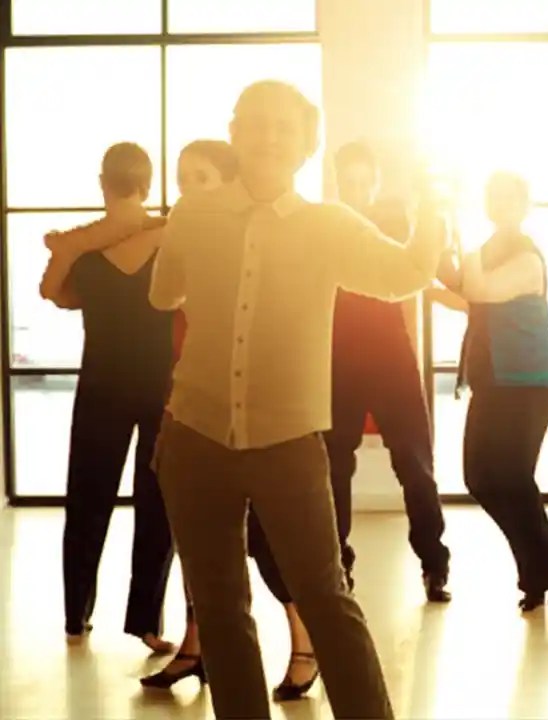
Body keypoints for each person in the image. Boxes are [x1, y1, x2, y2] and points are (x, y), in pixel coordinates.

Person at [148, 79, 443, 719]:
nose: (269, 135)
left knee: (325, 597)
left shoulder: (328, 225)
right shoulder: (193, 215)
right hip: (194, 435)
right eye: (255, 122)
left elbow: (406, 275)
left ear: (307, 144)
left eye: (284, 126)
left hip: (289, 442)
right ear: (235, 133)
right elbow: (163, 294)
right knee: (221, 604)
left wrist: (435, 204)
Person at [244, 140, 453, 701]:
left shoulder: (395, 220)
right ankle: (341, 568)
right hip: (336, 360)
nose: (356, 186)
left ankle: (434, 561)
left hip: (392, 358)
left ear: (375, 177)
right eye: (348, 179)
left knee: (415, 463)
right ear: (338, 179)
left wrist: (435, 210)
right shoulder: (322, 223)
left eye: (364, 178)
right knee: (332, 469)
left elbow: (429, 268)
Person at [40, 143, 175, 655]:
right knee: (157, 504)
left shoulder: (83, 246)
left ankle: (77, 616)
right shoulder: (167, 234)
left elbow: (55, 293)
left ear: (103, 182)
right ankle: (146, 623)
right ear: (147, 180)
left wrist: (75, 248)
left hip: (101, 383)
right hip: (161, 384)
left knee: (87, 501)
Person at [441, 171, 548, 612]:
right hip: (494, 379)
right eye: (492, 196)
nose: (498, 204)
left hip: (530, 381)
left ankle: (536, 569)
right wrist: (439, 231)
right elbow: (463, 285)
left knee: (512, 477)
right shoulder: (489, 250)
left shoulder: (526, 258)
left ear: (524, 205)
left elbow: (477, 288)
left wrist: (459, 258)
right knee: (481, 477)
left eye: (508, 197)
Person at [137, 138, 240, 690]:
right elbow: (164, 299)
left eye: (202, 178)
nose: (189, 190)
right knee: (196, 532)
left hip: (247, 404)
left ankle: (303, 645)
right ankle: (196, 645)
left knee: (270, 547)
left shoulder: (246, 238)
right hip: (191, 397)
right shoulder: (186, 236)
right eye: (183, 179)